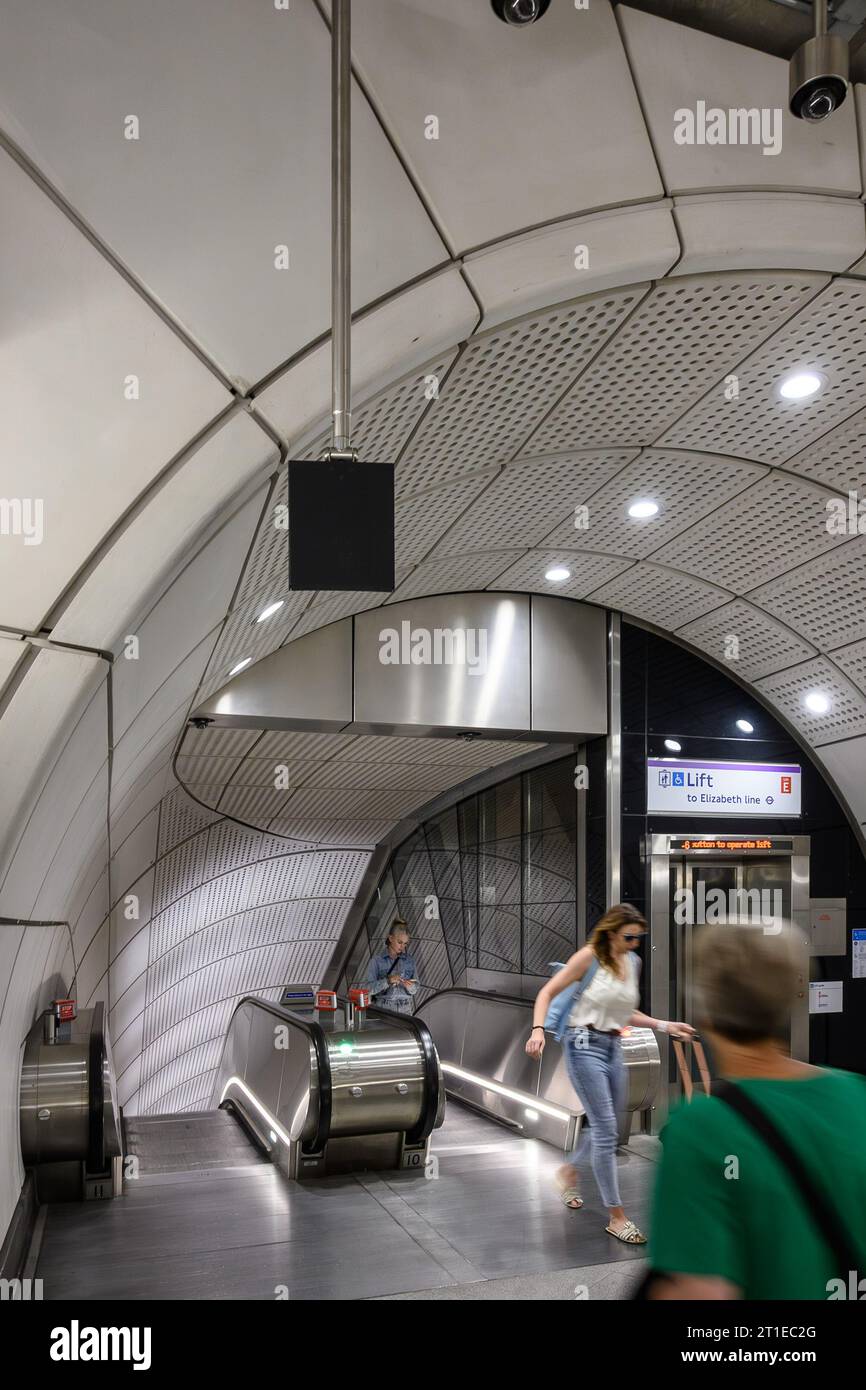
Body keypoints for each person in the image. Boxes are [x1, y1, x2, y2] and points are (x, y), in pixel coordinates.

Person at [647, 921, 866, 1299]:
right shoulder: (855, 1094)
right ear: (791, 999)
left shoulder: (701, 1129)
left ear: (704, 1009)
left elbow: (701, 1293)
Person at [526, 904, 694, 1244]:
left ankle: (568, 1170)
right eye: (629, 937)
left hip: (612, 1047)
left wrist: (665, 1025)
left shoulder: (632, 963)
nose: (634, 944)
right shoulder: (588, 958)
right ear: (612, 931)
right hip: (583, 1044)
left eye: (638, 939)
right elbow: (547, 992)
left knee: (609, 1127)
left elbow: (625, 1011)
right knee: (605, 1130)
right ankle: (616, 1217)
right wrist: (538, 1030)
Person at [367, 919, 419, 1015]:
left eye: (405, 943)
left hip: (405, 1009)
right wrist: (387, 981)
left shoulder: (410, 961)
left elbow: (416, 987)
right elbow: (368, 989)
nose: (402, 946)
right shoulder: (377, 961)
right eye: (399, 942)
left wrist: (410, 987)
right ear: (390, 938)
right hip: (384, 1008)